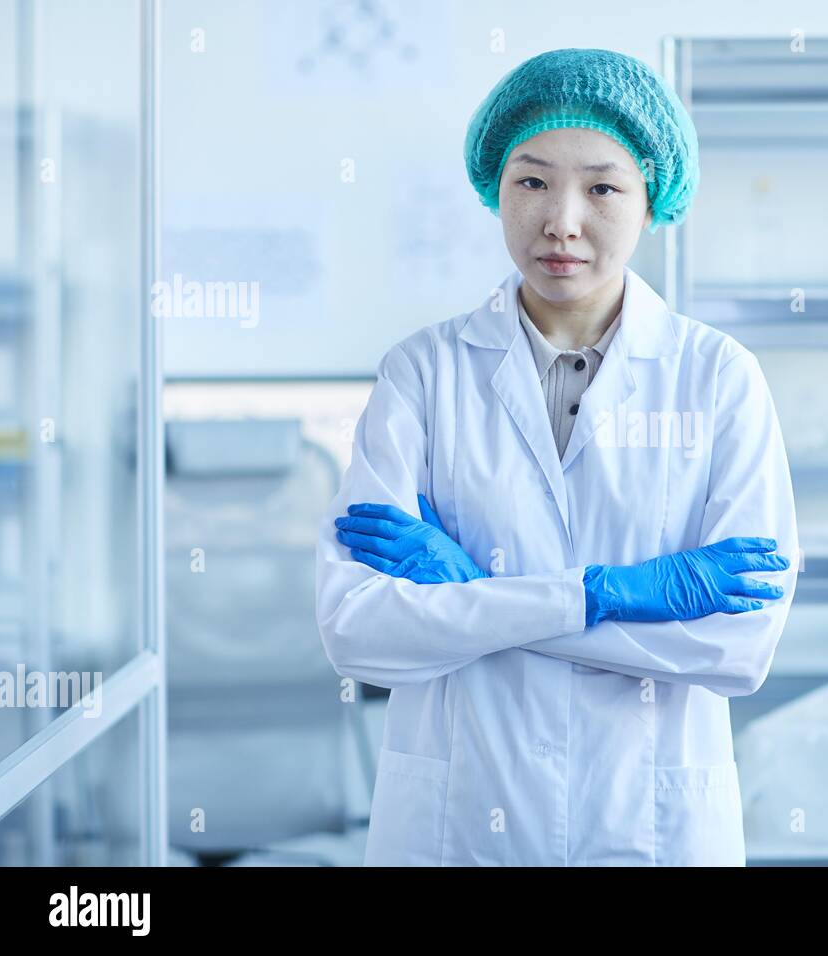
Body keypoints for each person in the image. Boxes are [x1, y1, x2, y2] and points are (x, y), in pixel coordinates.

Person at [315, 47, 799, 866]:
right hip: (461, 827)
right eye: (531, 181)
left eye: (603, 187)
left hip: (647, 826)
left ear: (653, 201)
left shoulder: (718, 379)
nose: (561, 221)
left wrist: (479, 597)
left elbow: (737, 648)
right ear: (495, 190)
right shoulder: (423, 375)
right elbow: (359, 632)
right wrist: (613, 598)